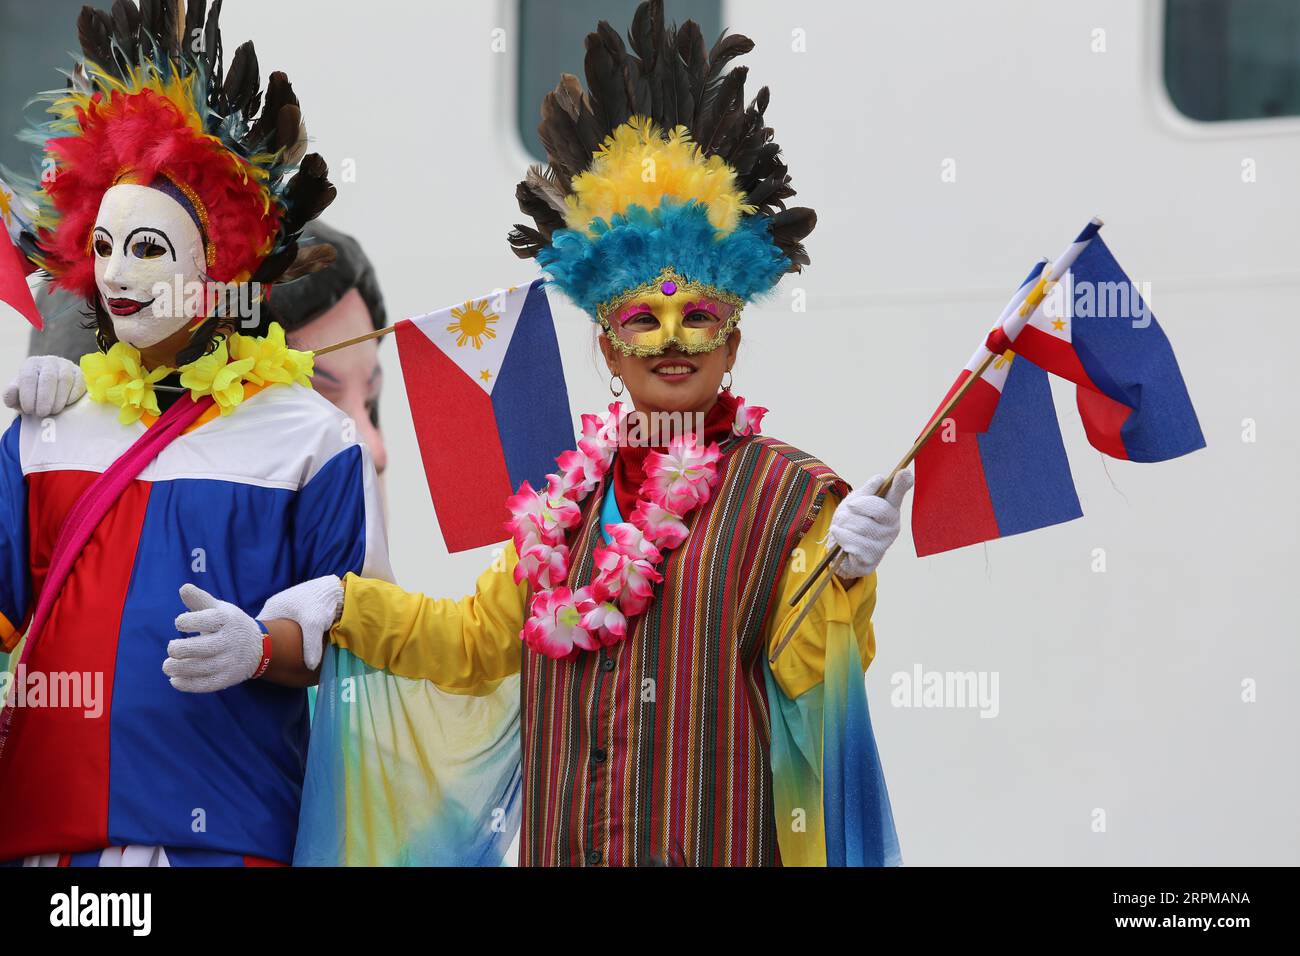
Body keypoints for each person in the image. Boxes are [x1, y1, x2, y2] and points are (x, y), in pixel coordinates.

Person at [195, 0, 911, 867]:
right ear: (608, 343)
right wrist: (347, 605)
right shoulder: (567, 510)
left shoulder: (792, 499)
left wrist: (850, 572)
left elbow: (810, 673)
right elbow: (468, 644)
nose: (675, 341)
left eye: (702, 316)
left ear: (734, 336)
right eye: (644, 317)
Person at [0, 0, 387, 867]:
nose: (118, 275)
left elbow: (345, 639)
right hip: (47, 851)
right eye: (104, 247)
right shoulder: (43, 430)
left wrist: (261, 648)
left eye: (148, 249)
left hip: (226, 847)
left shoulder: (315, 441)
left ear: (220, 265)